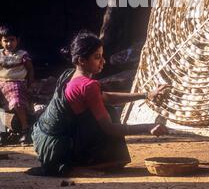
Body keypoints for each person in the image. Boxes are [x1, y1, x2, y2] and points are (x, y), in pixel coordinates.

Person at [29, 31, 169, 177]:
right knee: (109, 114)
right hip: (56, 150)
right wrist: (148, 127)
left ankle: (81, 163)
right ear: (82, 60)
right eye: (97, 57)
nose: (103, 61)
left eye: (102, 56)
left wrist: (146, 95)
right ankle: (73, 167)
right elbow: (110, 129)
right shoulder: (88, 85)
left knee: (105, 109)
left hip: (42, 141)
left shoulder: (69, 74)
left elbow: (105, 97)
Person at [0, 24, 34, 145]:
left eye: (12, 40)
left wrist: (30, 84)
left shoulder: (22, 55)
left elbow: (30, 69)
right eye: (5, 41)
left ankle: (25, 129)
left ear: (17, 41)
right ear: (1, 41)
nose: (9, 43)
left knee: (16, 101)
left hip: (17, 83)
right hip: (1, 83)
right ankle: (2, 133)